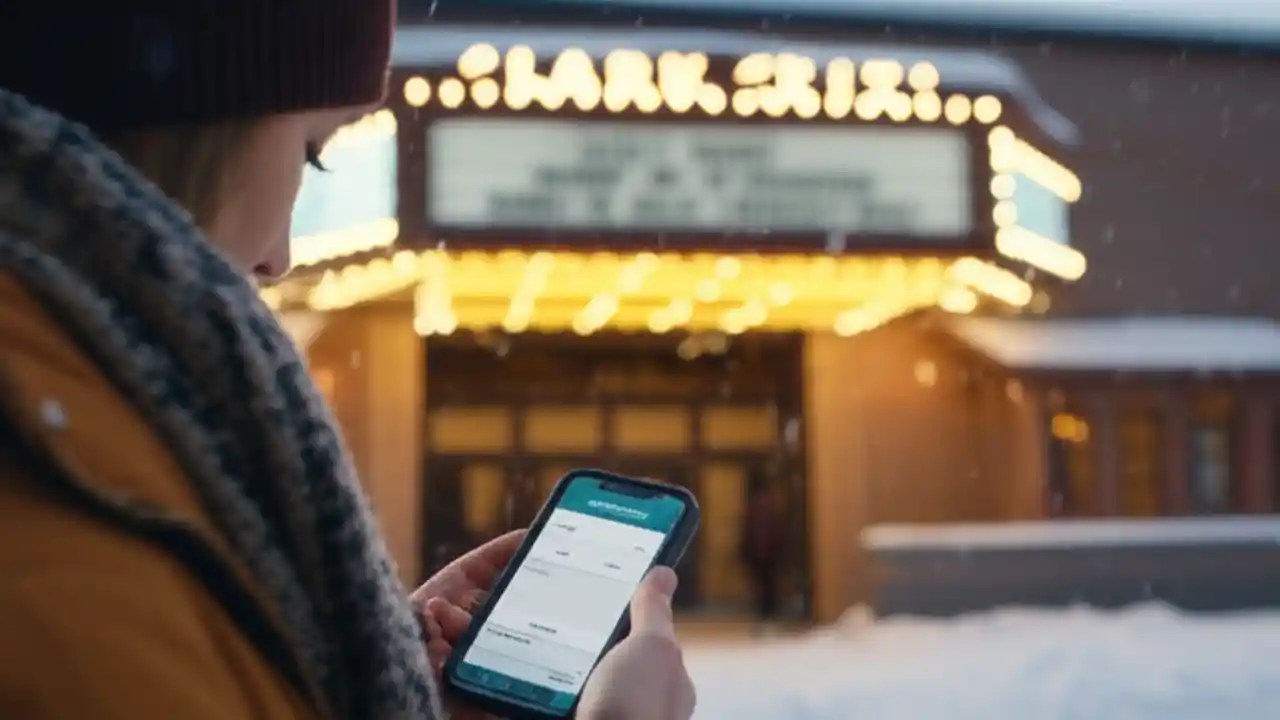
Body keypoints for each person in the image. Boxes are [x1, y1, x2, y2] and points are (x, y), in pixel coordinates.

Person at [0, 3, 695, 719]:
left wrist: (365, 671)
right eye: (312, 150)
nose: (278, 258)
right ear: (191, 115)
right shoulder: (68, 528)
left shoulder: (92, 463)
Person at [741, 477, 786, 628]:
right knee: (763, 584)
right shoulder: (758, 517)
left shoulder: (766, 517)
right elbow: (748, 536)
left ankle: (768, 612)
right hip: (760, 555)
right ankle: (765, 613)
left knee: (767, 585)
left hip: (767, 555)